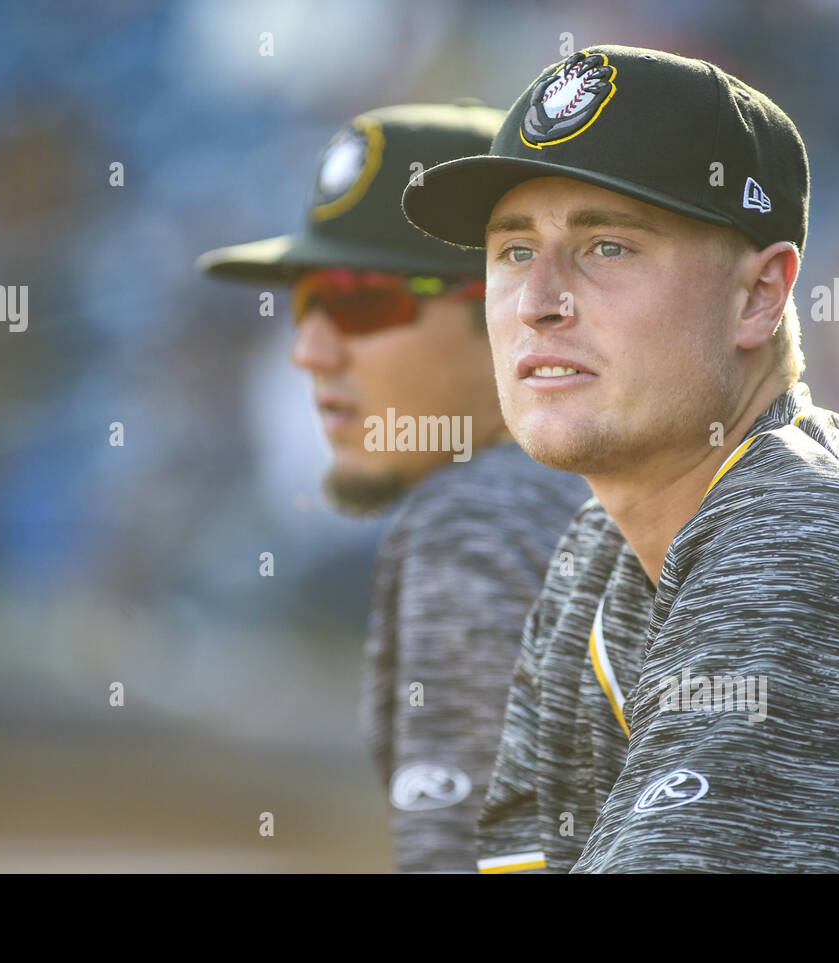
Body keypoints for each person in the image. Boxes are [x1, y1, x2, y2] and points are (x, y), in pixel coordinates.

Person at [401, 45, 839, 873]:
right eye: (513, 251)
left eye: (607, 246)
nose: (539, 302)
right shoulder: (595, 557)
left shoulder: (805, 531)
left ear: (758, 297)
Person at [198, 103, 590, 872]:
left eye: (357, 300)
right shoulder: (639, 484)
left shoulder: (472, 523)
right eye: (303, 303)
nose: (308, 351)